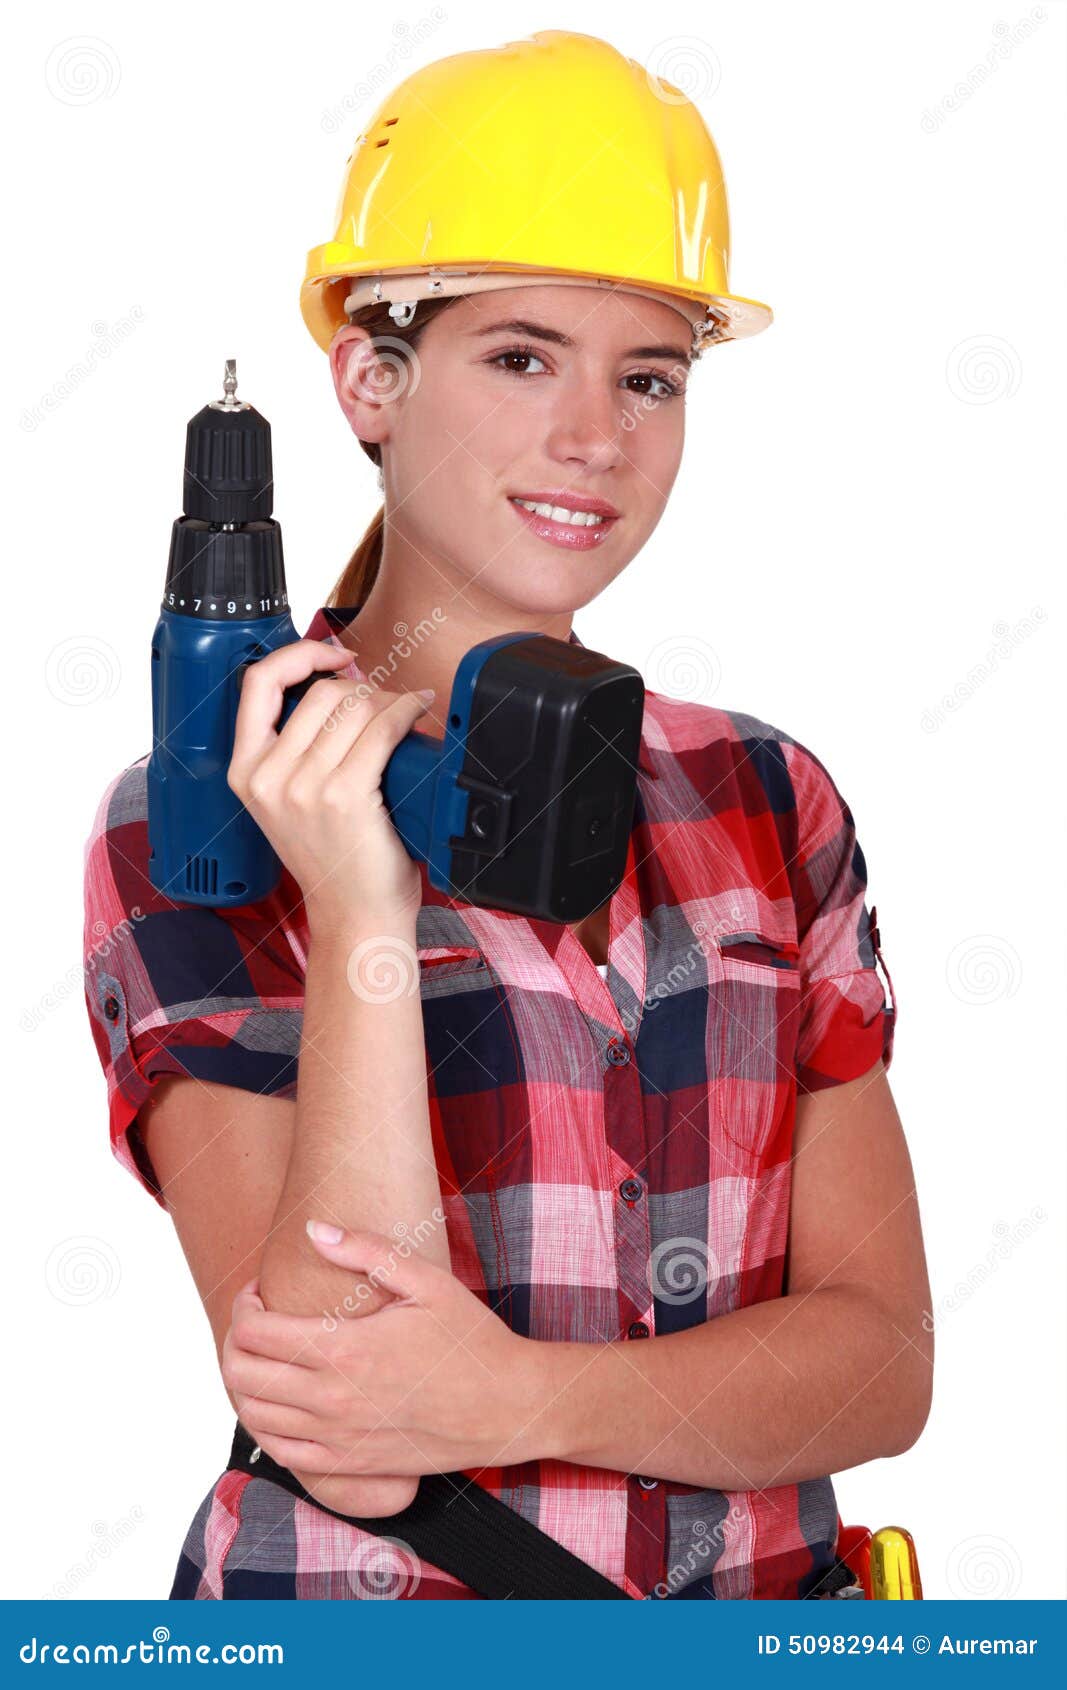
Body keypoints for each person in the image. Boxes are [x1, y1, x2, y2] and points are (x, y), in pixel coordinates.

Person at [82, 29, 932, 1600]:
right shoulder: (203, 813)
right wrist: (359, 909)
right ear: (369, 380)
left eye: (651, 375)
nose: (596, 438)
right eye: (523, 355)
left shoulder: (768, 796)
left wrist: (522, 1394)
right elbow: (343, 1405)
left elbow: (882, 1366)